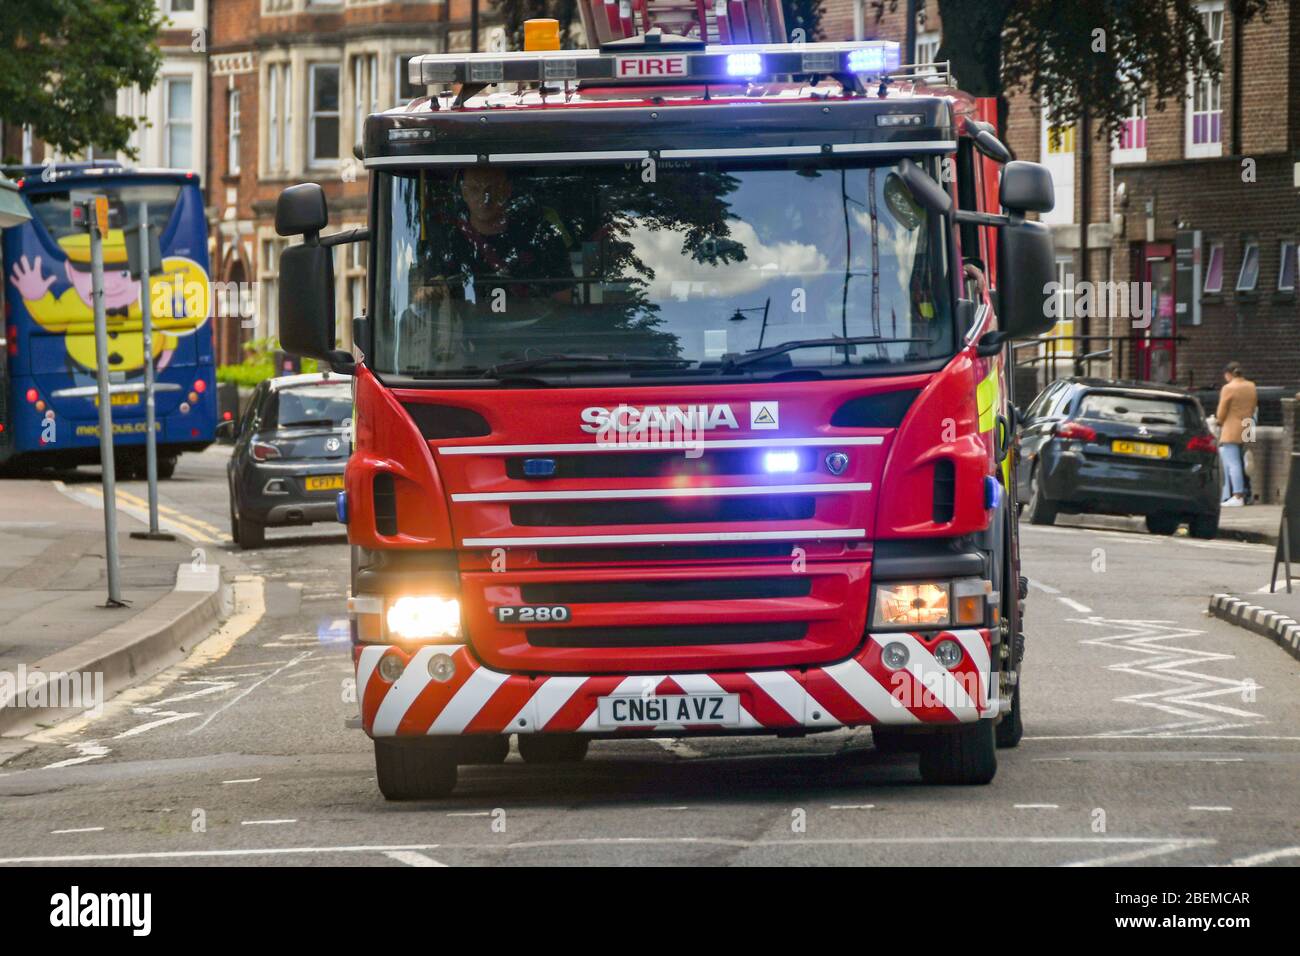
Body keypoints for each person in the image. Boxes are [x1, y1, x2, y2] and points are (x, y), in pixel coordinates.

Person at [1215, 361, 1257, 507]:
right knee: (1245, 461)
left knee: (1233, 463)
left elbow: (1222, 411)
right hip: (1248, 425)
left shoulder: (1228, 388)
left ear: (1228, 374)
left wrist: (1218, 422)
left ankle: (1237, 495)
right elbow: (1253, 406)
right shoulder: (1251, 386)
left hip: (1232, 427)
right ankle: (1247, 492)